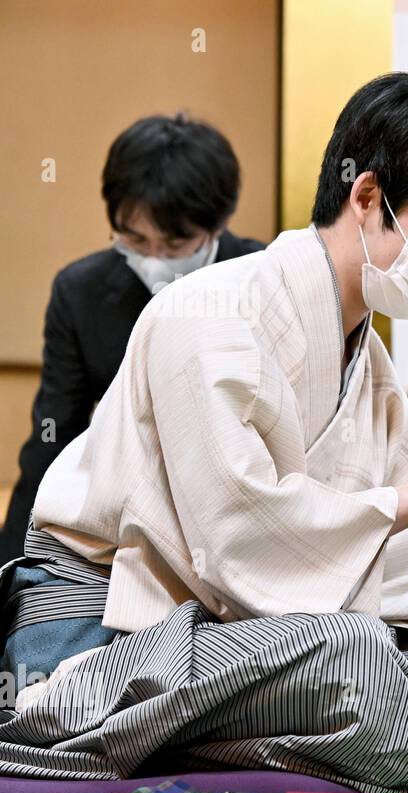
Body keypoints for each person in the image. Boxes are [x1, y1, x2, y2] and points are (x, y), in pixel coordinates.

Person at [0, 74, 408, 793]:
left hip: (240, 638)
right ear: (366, 198)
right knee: (354, 656)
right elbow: (235, 539)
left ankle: (256, 752)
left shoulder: (371, 370)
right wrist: (407, 501)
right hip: (112, 627)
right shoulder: (209, 314)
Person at [0, 115, 263, 563]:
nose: (154, 259)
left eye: (176, 245)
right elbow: (52, 435)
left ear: (215, 226)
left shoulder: (263, 278)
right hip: (125, 517)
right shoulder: (80, 292)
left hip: (246, 511)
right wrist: (11, 571)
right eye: (135, 240)